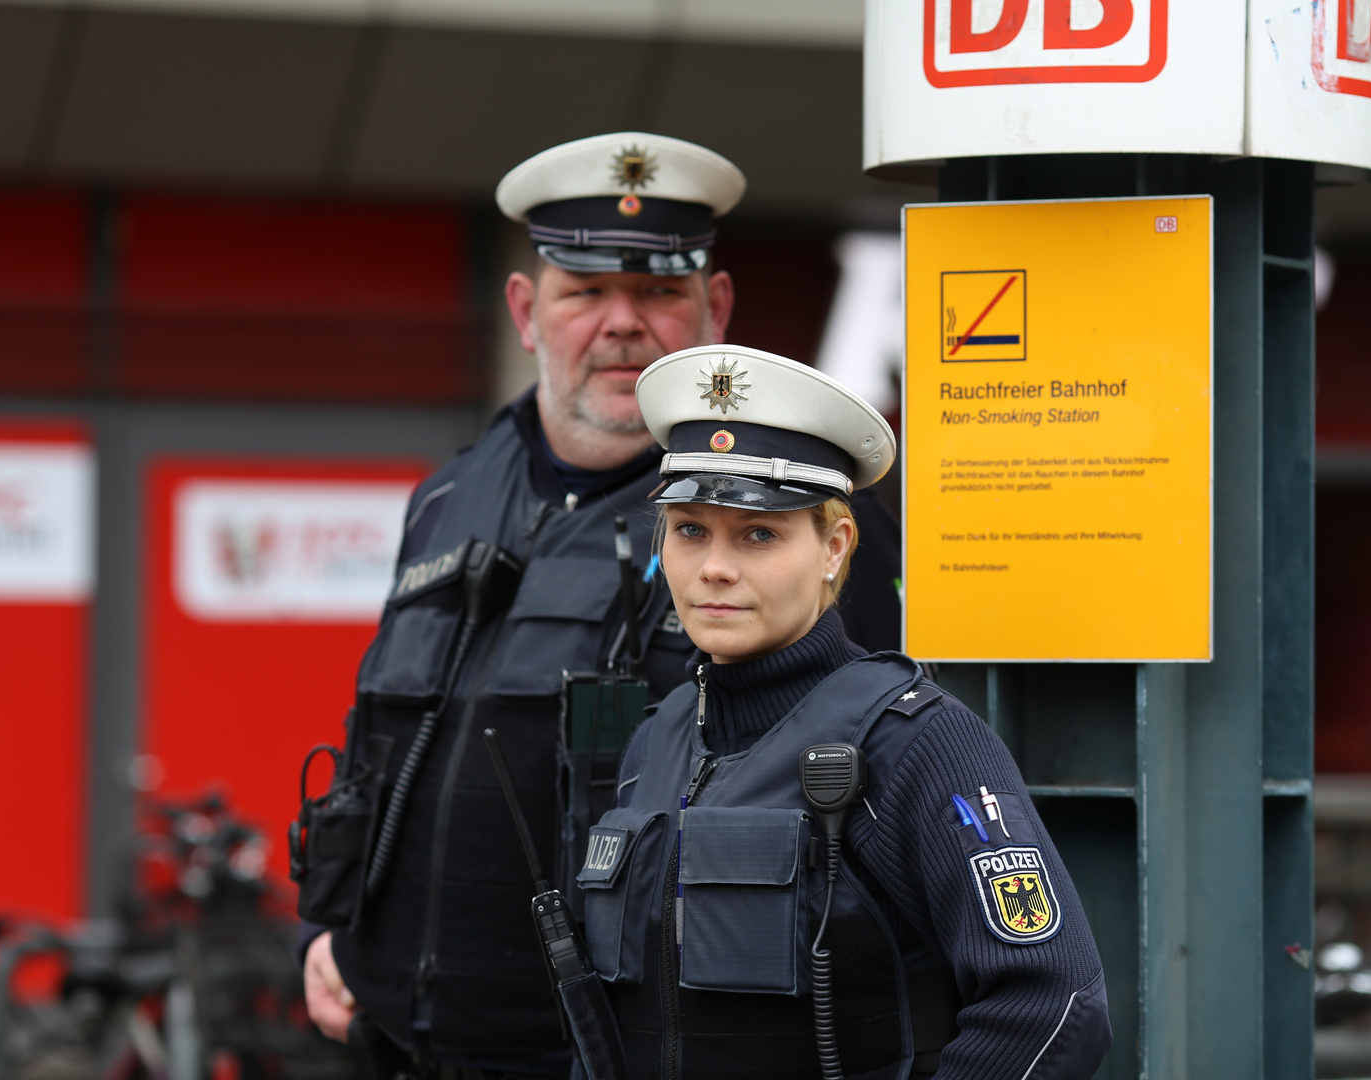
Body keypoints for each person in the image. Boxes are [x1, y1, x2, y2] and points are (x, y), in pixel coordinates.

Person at [295, 133, 904, 1078]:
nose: (624, 324)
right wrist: (331, 932)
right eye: (586, 292)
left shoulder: (798, 516)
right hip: (389, 1042)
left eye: (660, 292)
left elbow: (868, 797)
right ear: (527, 311)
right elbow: (386, 739)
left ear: (717, 307)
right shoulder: (449, 498)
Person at [574, 344, 1111, 1080]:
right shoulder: (656, 740)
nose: (714, 568)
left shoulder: (917, 741)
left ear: (834, 546)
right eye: (691, 529)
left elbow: (1054, 1004)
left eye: (758, 534)